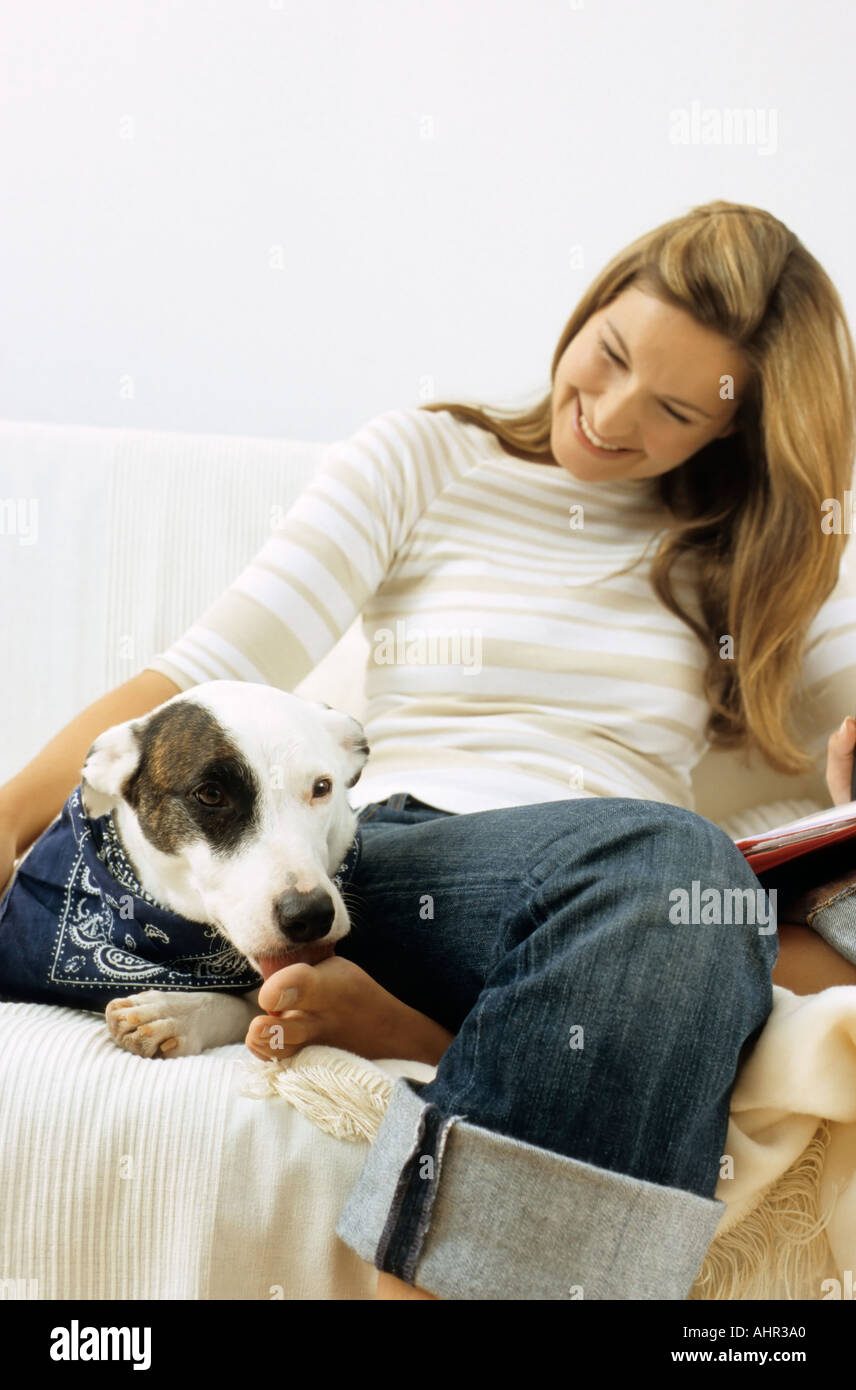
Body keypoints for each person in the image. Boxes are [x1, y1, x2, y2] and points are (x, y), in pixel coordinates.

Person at [2, 199, 856, 1301]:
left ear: (729, 428)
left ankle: (418, 1024)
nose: (605, 413)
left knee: (711, 907)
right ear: (591, 303)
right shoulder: (429, 455)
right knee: (677, 873)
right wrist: (11, 812)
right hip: (415, 860)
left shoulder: (752, 557)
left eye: (675, 406)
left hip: (622, 904)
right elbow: (209, 660)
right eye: (606, 355)